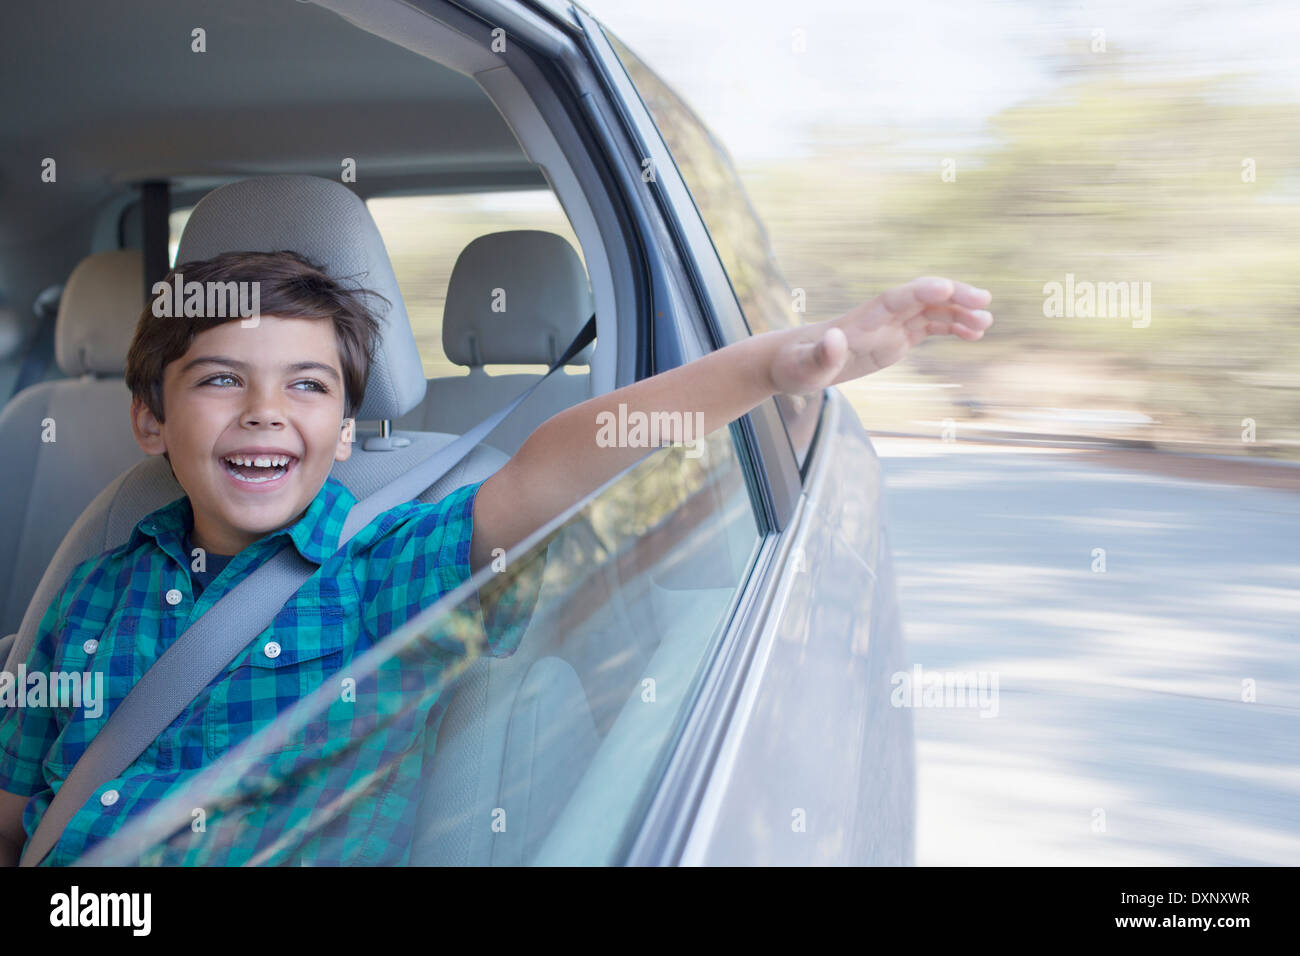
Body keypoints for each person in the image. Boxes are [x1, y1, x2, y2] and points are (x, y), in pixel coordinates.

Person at [0, 248, 992, 865]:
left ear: (346, 429)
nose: (266, 409)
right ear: (147, 416)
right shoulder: (91, 588)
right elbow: (16, 803)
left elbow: (545, 471)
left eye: (307, 385)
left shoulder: (376, 568)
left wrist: (769, 369)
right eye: (221, 379)